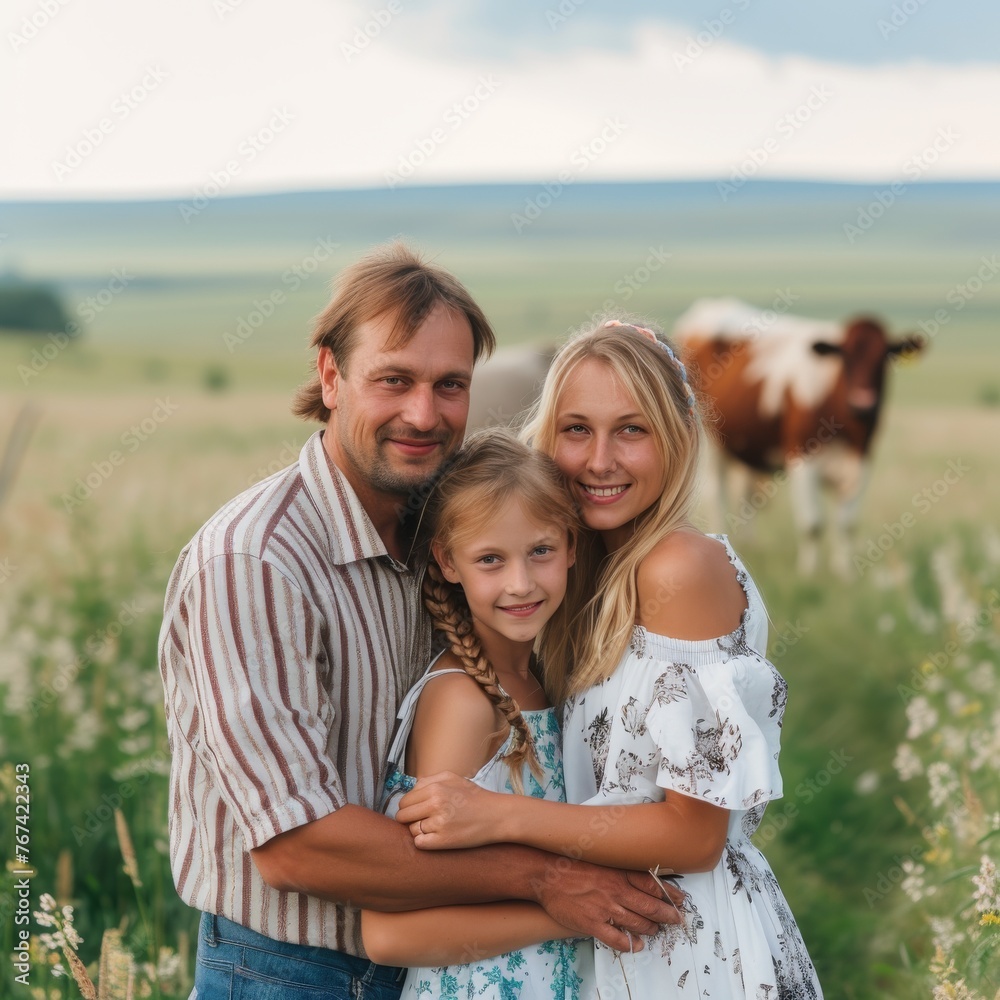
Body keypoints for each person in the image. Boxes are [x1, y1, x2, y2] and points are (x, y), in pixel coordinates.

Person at [158, 249, 682, 1000]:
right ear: (332, 375)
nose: (424, 414)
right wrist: (549, 881)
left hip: (435, 963)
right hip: (287, 971)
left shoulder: (449, 530)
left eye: (451, 386)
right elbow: (297, 848)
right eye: (394, 380)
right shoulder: (255, 562)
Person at [394, 317, 825, 998]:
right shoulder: (586, 575)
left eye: (632, 429)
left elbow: (693, 837)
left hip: (686, 946)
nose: (600, 460)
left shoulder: (677, 567)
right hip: (610, 939)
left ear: (678, 438)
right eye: (576, 430)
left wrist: (498, 814)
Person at [362, 428, 597, 998]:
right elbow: (391, 934)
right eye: (490, 559)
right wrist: (569, 910)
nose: (521, 584)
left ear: (570, 544)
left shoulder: (541, 683)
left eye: (540, 551)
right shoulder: (462, 703)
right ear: (447, 561)